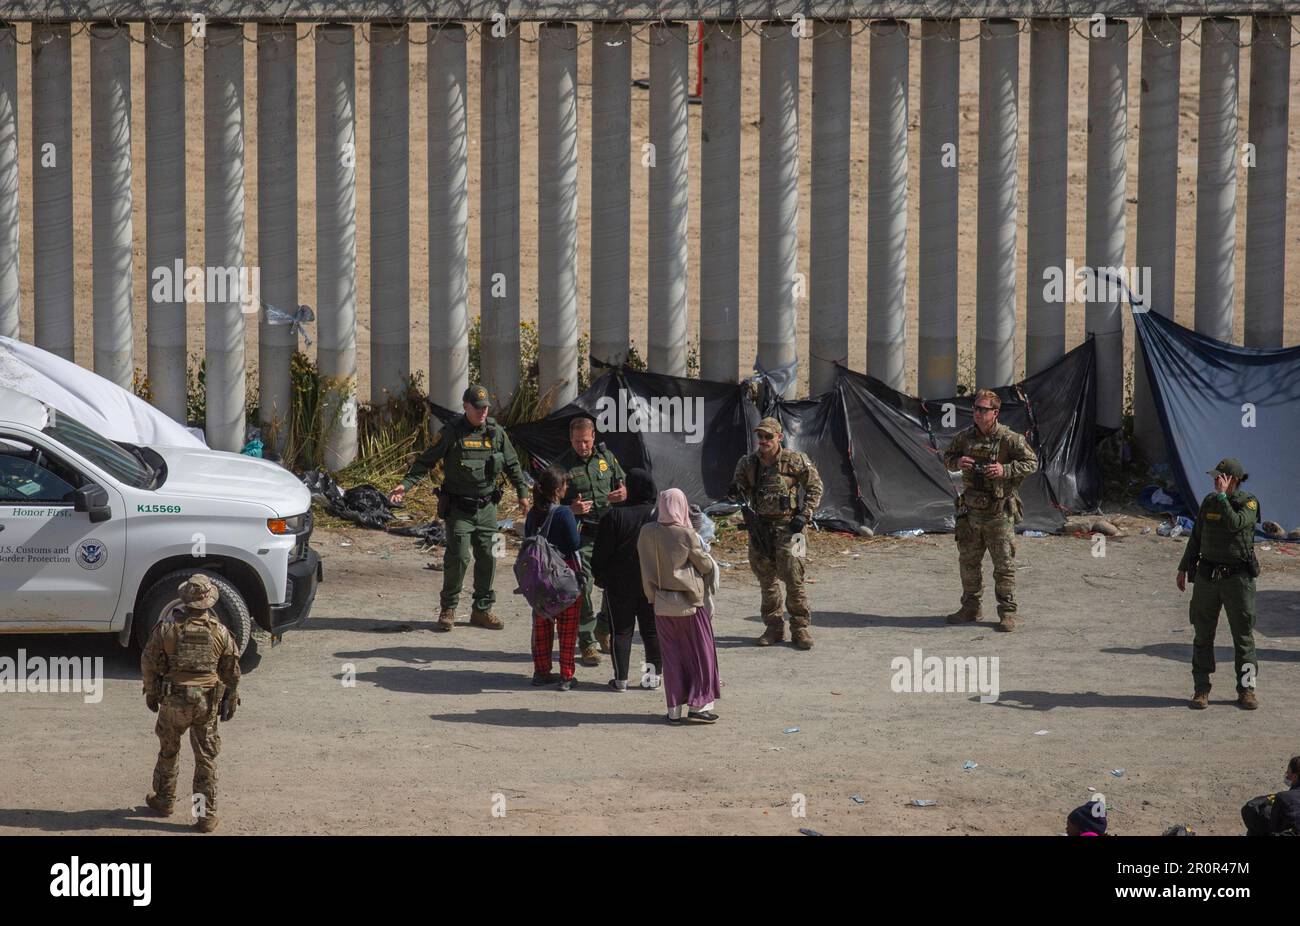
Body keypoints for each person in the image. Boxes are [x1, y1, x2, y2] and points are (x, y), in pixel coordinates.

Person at [389, 384, 531, 631]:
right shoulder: (451, 432)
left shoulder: (496, 433)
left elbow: (513, 465)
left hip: (487, 508)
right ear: (465, 406)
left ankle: (482, 610)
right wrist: (405, 485)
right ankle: (449, 608)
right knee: (459, 557)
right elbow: (425, 461)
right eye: (477, 408)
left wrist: (522, 494)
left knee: (488, 556)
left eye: (485, 408)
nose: (482, 413)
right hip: (459, 509)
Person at [140, 574, 241, 833]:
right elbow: (231, 671)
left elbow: (149, 662)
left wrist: (152, 692)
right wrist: (231, 697)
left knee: (168, 751)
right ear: (209, 602)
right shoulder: (220, 632)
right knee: (205, 760)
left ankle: (164, 800)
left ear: (184, 600)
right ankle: (205, 816)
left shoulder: (166, 628)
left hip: (173, 700)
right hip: (206, 703)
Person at [941, 389, 1038, 632]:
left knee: (1003, 565)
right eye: (975, 408)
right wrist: (957, 462)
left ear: (995, 413)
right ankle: (971, 607)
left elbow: (1032, 463)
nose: (977, 413)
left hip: (998, 512)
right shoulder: (965, 438)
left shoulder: (1009, 439)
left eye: (982, 409)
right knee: (969, 562)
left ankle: (1007, 612)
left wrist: (1004, 470)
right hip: (971, 512)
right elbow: (947, 456)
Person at [730, 417, 824, 648]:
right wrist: (735, 492)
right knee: (767, 581)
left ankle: (800, 629)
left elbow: (815, 486)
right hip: (761, 529)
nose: (763, 441)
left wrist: (805, 514)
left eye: (768, 437)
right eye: (760, 437)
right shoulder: (749, 463)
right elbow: (737, 491)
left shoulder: (795, 460)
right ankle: (773, 628)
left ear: (779, 437)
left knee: (794, 580)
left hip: (791, 529)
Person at [1177, 458, 1261, 711]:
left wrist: (1224, 498)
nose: (1215, 481)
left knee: (1243, 638)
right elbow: (1197, 537)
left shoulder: (1248, 503)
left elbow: (1235, 523)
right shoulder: (1209, 502)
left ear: (1233, 480)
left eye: (1220, 477)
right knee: (1202, 635)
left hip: (1237, 580)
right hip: (1208, 577)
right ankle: (1201, 689)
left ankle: (1246, 690)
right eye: (1215, 477)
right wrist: (1183, 567)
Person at [637, 488, 721, 724]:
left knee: (672, 658)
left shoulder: (646, 532)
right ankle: (700, 705)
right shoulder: (685, 534)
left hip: (661, 604)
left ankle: (674, 708)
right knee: (701, 655)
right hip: (690, 604)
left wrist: (651, 596)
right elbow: (704, 566)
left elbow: (645, 568)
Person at [554, 416, 627, 665]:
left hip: (609, 533)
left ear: (593, 437)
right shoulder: (563, 465)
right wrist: (570, 508)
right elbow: (551, 502)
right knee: (583, 586)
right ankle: (587, 642)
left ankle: (603, 627)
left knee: (616, 584)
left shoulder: (606, 459)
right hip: (583, 534)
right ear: (570, 440)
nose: (582, 446)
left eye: (585, 441)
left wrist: (623, 493)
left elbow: (623, 483)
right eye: (577, 442)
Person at [591, 468, 661, 692]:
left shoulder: (614, 515)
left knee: (621, 631)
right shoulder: (658, 515)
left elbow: (600, 552)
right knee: (651, 632)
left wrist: (600, 577)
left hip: (619, 584)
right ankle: (652, 680)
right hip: (652, 584)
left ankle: (620, 680)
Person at [523, 467, 585, 690]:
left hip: (539, 576)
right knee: (567, 628)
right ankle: (566, 675)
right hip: (563, 574)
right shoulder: (564, 513)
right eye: (565, 485)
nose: (567, 488)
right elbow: (574, 544)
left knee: (542, 623)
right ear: (558, 489)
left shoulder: (533, 513)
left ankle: (541, 671)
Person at [1270, 757, 1300, 835]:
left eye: (1288, 771)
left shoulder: (1283, 797)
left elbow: (1274, 827)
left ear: (1295, 776)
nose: (1286, 773)